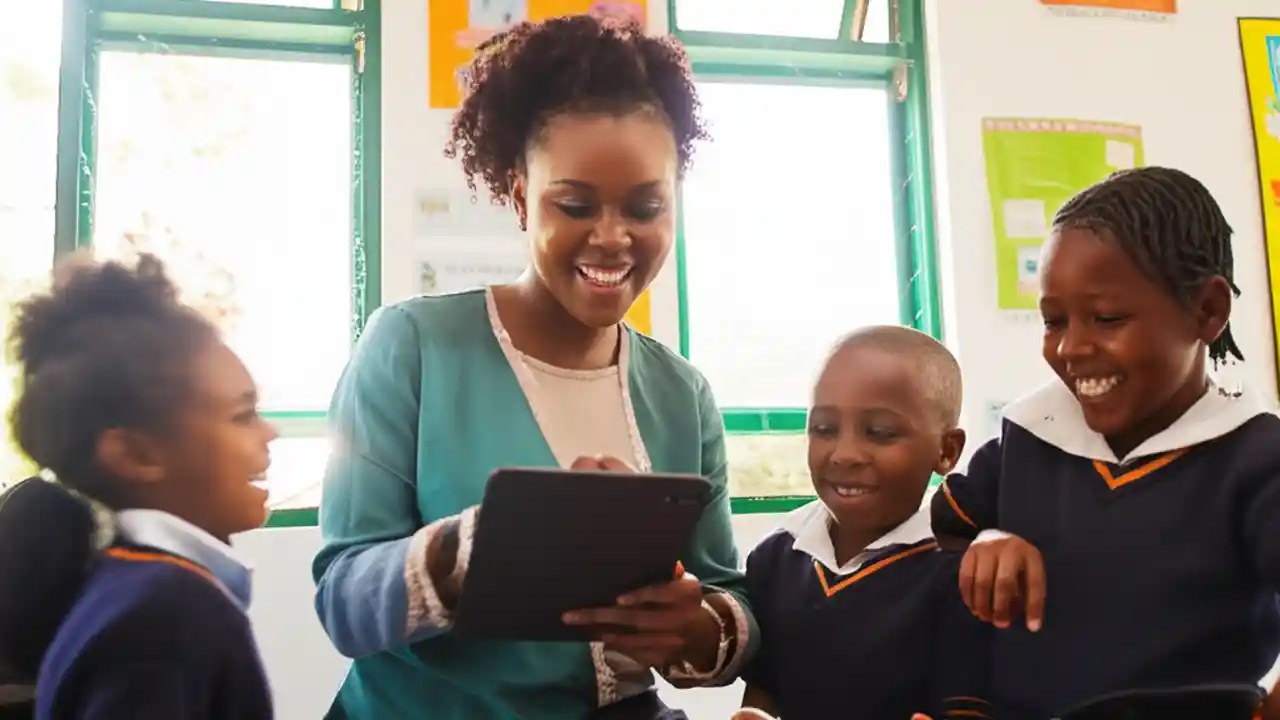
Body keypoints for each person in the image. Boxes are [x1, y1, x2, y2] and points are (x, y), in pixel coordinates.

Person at [312, 14, 754, 720]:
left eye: (646, 207)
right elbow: (341, 602)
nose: (612, 238)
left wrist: (693, 626)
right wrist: (477, 548)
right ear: (520, 196)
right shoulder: (412, 348)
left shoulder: (681, 393)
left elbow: (730, 596)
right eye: (574, 205)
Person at [932, 167, 1280, 719]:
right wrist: (987, 540)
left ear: (1207, 311)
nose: (1071, 347)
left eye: (1107, 318)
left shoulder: (1253, 457)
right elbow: (947, 536)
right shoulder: (1029, 437)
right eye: (1053, 321)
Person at [0, 253, 277, 719]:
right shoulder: (170, 613)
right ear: (136, 455)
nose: (270, 433)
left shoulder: (135, 587)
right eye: (242, 416)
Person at [739, 327, 990, 720]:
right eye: (823, 429)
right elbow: (764, 690)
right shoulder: (776, 557)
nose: (845, 453)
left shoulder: (963, 572)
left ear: (947, 450)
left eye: (880, 433)